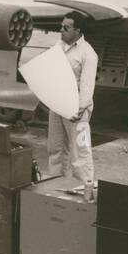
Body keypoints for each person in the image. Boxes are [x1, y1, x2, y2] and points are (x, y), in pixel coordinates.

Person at [48, 12, 98, 189]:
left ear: (77, 30)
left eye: (66, 28)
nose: (61, 30)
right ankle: (55, 187)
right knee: (56, 150)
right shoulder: (58, 46)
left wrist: (80, 109)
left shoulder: (87, 53)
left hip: (77, 109)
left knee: (80, 154)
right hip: (57, 104)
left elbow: (87, 85)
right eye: (61, 26)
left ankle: (84, 191)